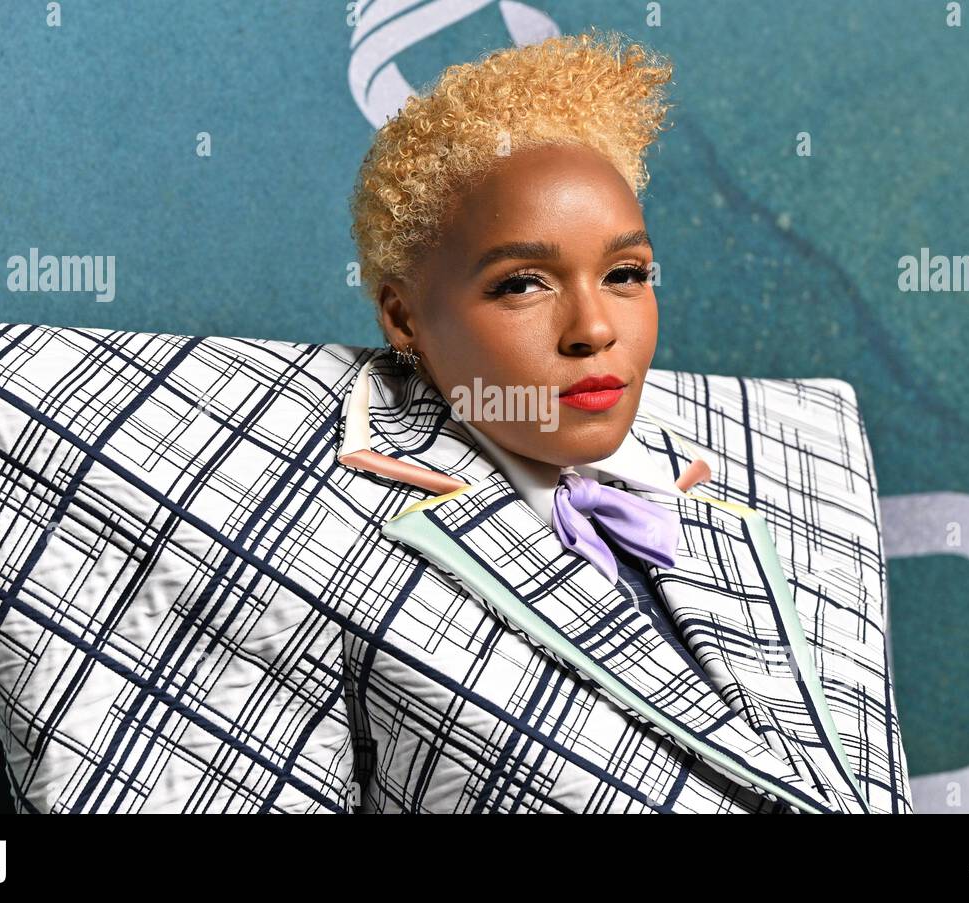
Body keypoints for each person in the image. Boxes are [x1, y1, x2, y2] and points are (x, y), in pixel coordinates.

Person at [329, 27, 911, 813]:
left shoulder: (801, 474)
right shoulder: (316, 533)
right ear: (403, 317)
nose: (593, 328)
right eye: (522, 283)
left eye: (626, 274)